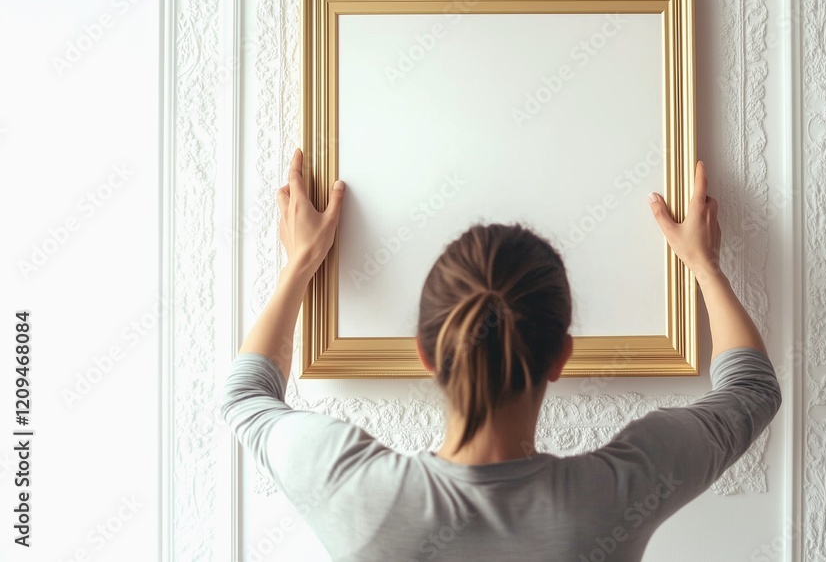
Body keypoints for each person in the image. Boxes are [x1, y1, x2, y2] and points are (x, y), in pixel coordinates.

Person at [220, 148, 781, 561]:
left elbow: (245, 396)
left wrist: (301, 262)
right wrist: (705, 265)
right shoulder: (615, 496)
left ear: (424, 353)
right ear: (561, 357)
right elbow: (752, 391)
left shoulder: (354, 488)